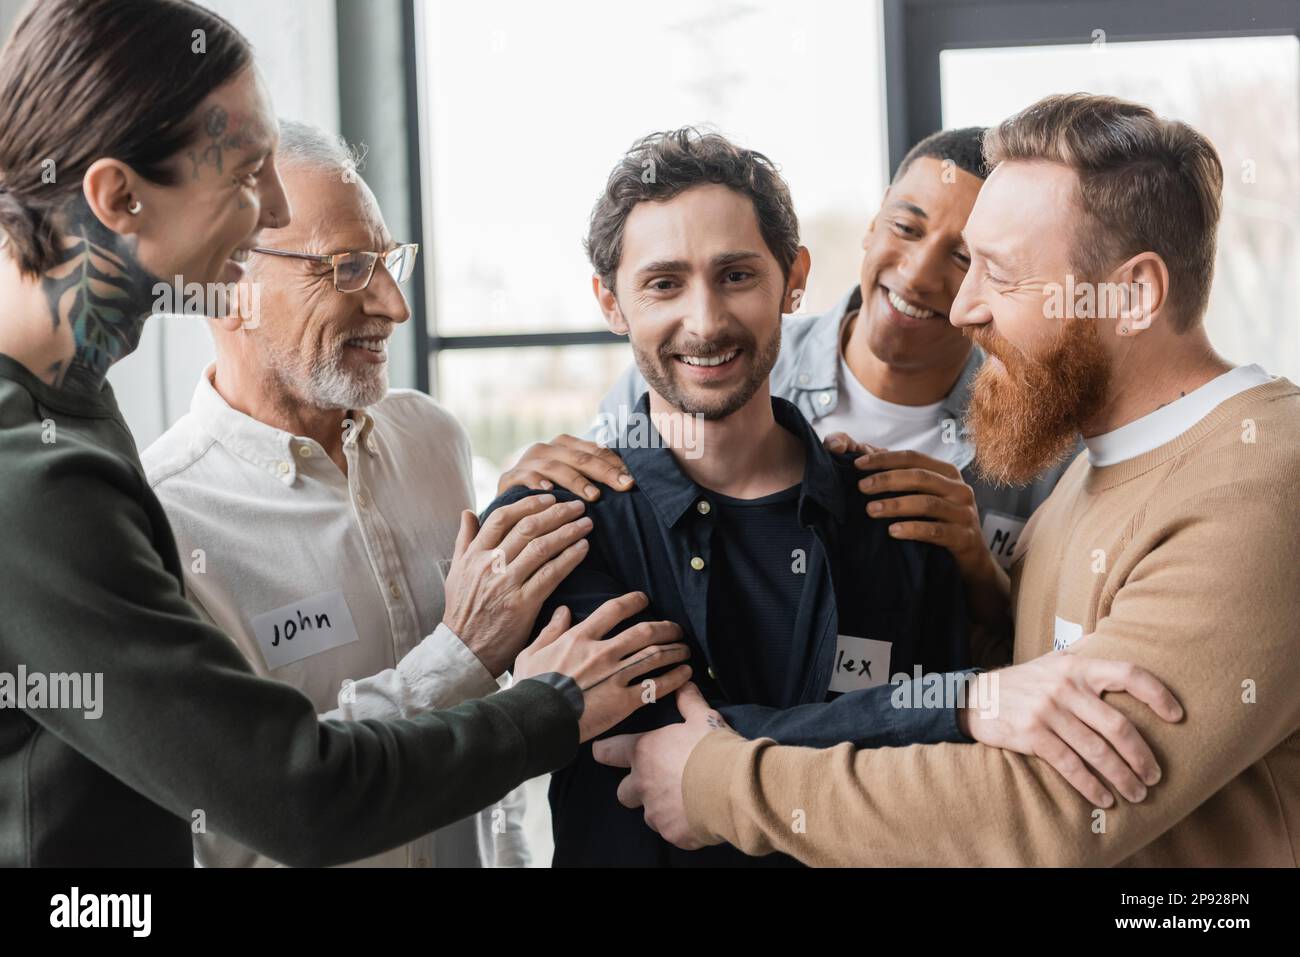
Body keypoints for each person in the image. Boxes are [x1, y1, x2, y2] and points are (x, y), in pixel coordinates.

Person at [0, 0, 688, 867]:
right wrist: (550, 703)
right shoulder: (31, 474)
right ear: (117, 195)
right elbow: (291, 793)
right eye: (249, 173)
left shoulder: (72, 412)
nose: (273, 206)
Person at [606, 95, 1300, 867]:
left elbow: (1047, 807)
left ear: (1131, 294)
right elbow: (1016, 691)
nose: (962, 309)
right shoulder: (1085, 478)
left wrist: (721, 780)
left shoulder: (1266, 484)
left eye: (995, 273)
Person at [488, 128, 1181, 867]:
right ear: (610, 301)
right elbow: (647, 736)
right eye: (663, 283)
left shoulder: (906, 521)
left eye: (736, 276)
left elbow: (941, 771)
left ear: (793, 279)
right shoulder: (554, 522)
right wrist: (962, 700)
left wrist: (960, 695)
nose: (705, 320)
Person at [142, 120, 597, 866]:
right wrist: (460, 652)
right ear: (227, 288)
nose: (394, 305)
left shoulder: (433, 440)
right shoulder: (162, 518)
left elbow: (493, 735)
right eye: (349, 267)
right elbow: (233, 818)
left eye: (389, 261)